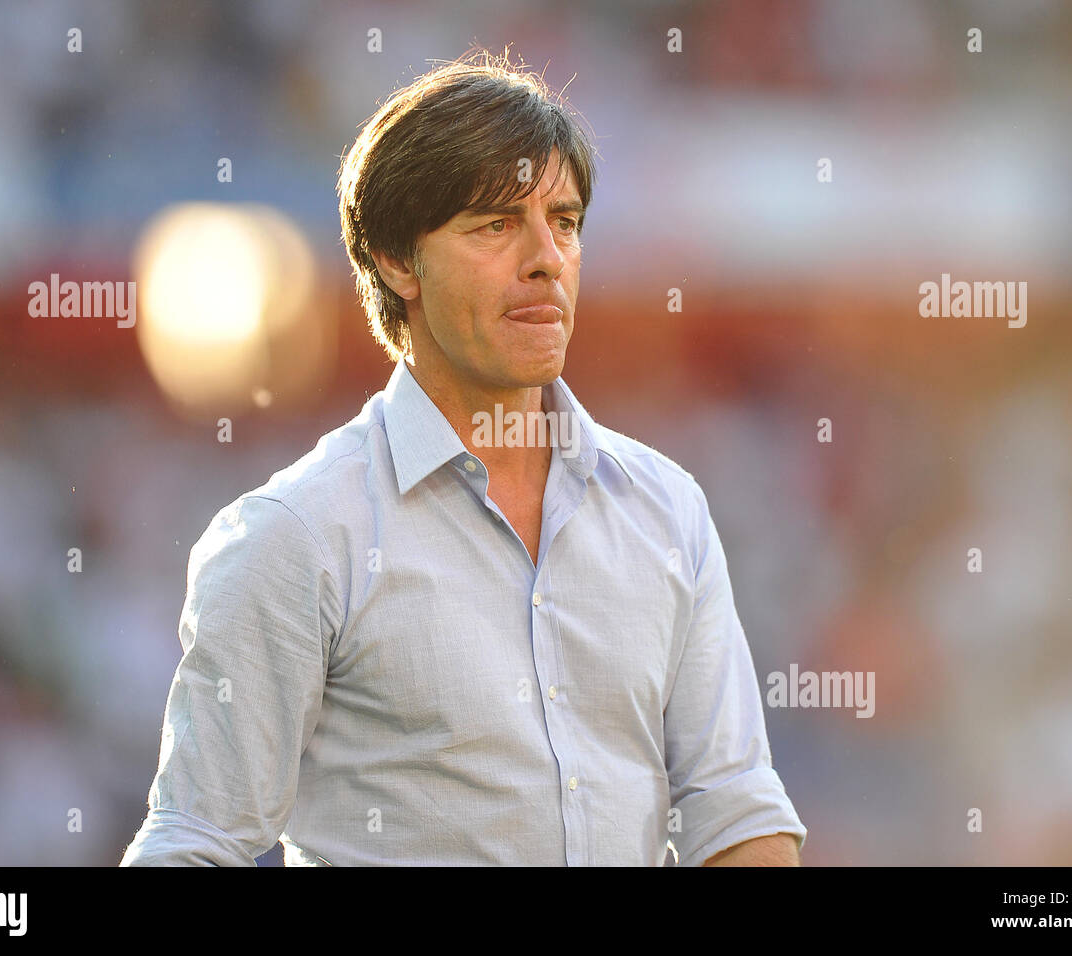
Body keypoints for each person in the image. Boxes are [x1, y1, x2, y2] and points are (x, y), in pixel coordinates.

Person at [121, 49, 806, 867]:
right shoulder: (296, 536)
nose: (546, 257)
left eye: (565, 221)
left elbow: (732, 811)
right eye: (496, 224)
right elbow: (198, 840)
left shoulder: (668, 509)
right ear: (396, 260)